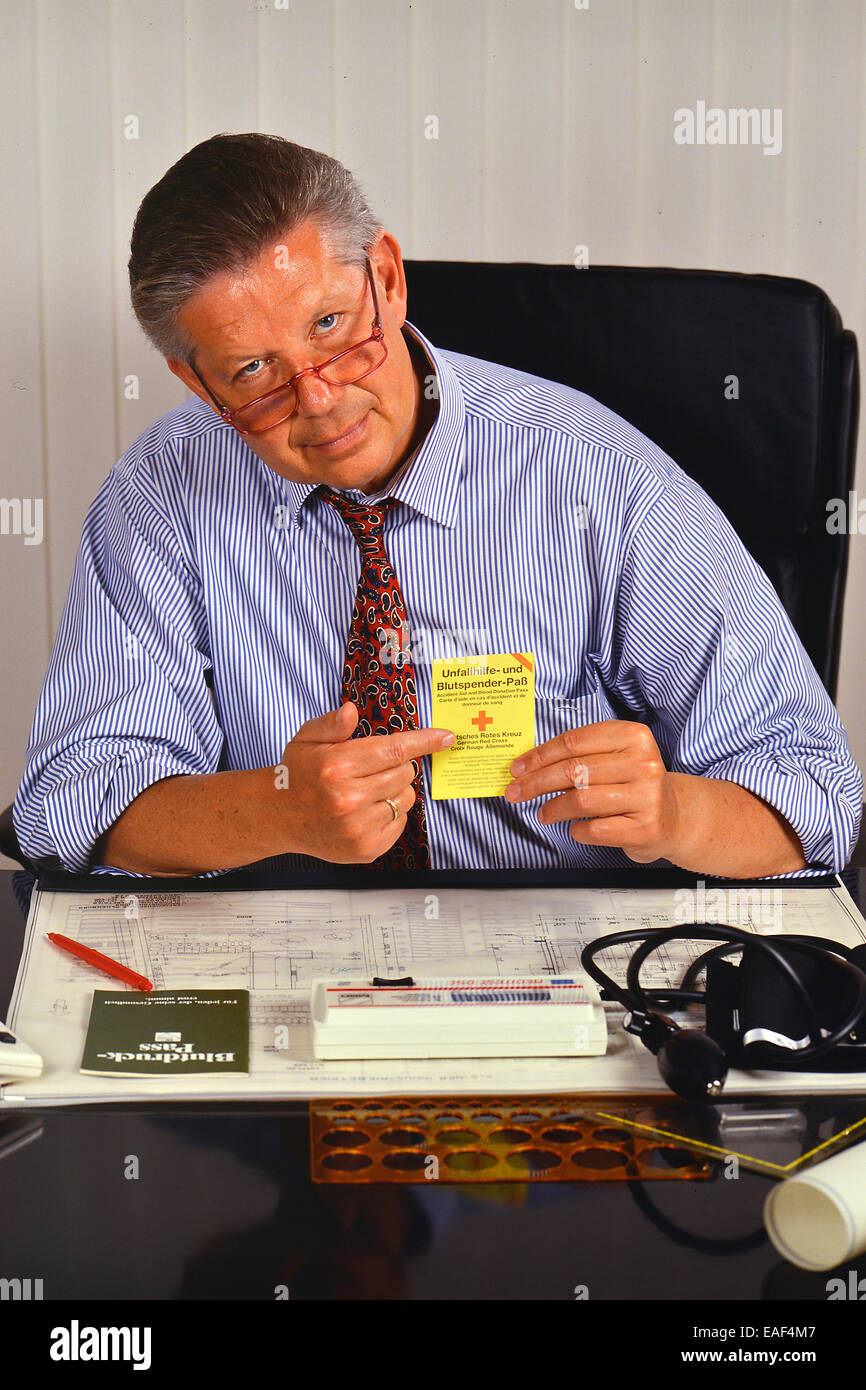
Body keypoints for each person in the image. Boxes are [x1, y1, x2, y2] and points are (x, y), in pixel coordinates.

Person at [12, 133, 862, 879]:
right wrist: (276, 808)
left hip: (573, 971)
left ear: (386, 275)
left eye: (333, 325)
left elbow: (816, 796)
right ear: (194, 380)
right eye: (250, 372)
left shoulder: (600, 477)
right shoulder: (160, 497)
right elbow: (69, 807)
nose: (318, 399)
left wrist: (675, 813)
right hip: (281, 966)